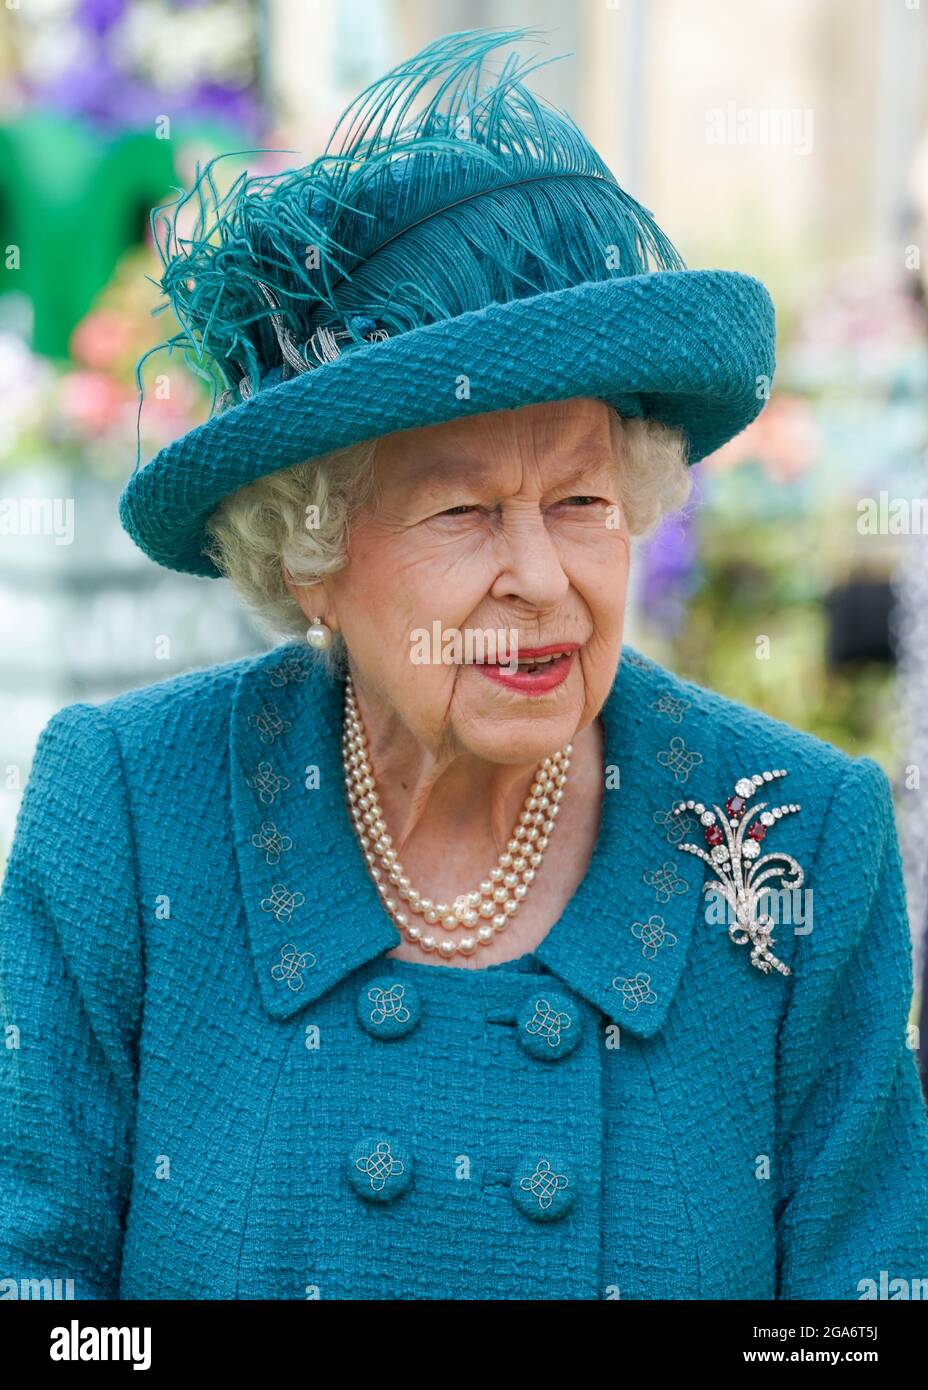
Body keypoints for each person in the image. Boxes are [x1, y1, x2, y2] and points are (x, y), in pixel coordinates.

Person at [2, 26, 927, 1302]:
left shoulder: (802, 837)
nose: (542, 579)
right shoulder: (123, 812)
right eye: (463, 512)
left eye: (583, 503)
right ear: (310, 550)